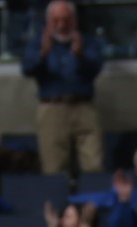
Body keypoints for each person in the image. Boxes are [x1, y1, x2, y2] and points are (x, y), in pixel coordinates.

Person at [23, 0, 105, 176]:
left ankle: (93, 195)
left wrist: (80, 55)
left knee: (93, 165)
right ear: (48, 22)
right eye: (56, 20)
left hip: (84, 107)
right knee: (54, 167)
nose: (61, 25)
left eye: (66, 19)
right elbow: (27, 69)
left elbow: (97, 68)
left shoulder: (87, 41)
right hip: (52, 108)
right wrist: (43, 54)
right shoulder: (38, 42)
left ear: (74, 20)